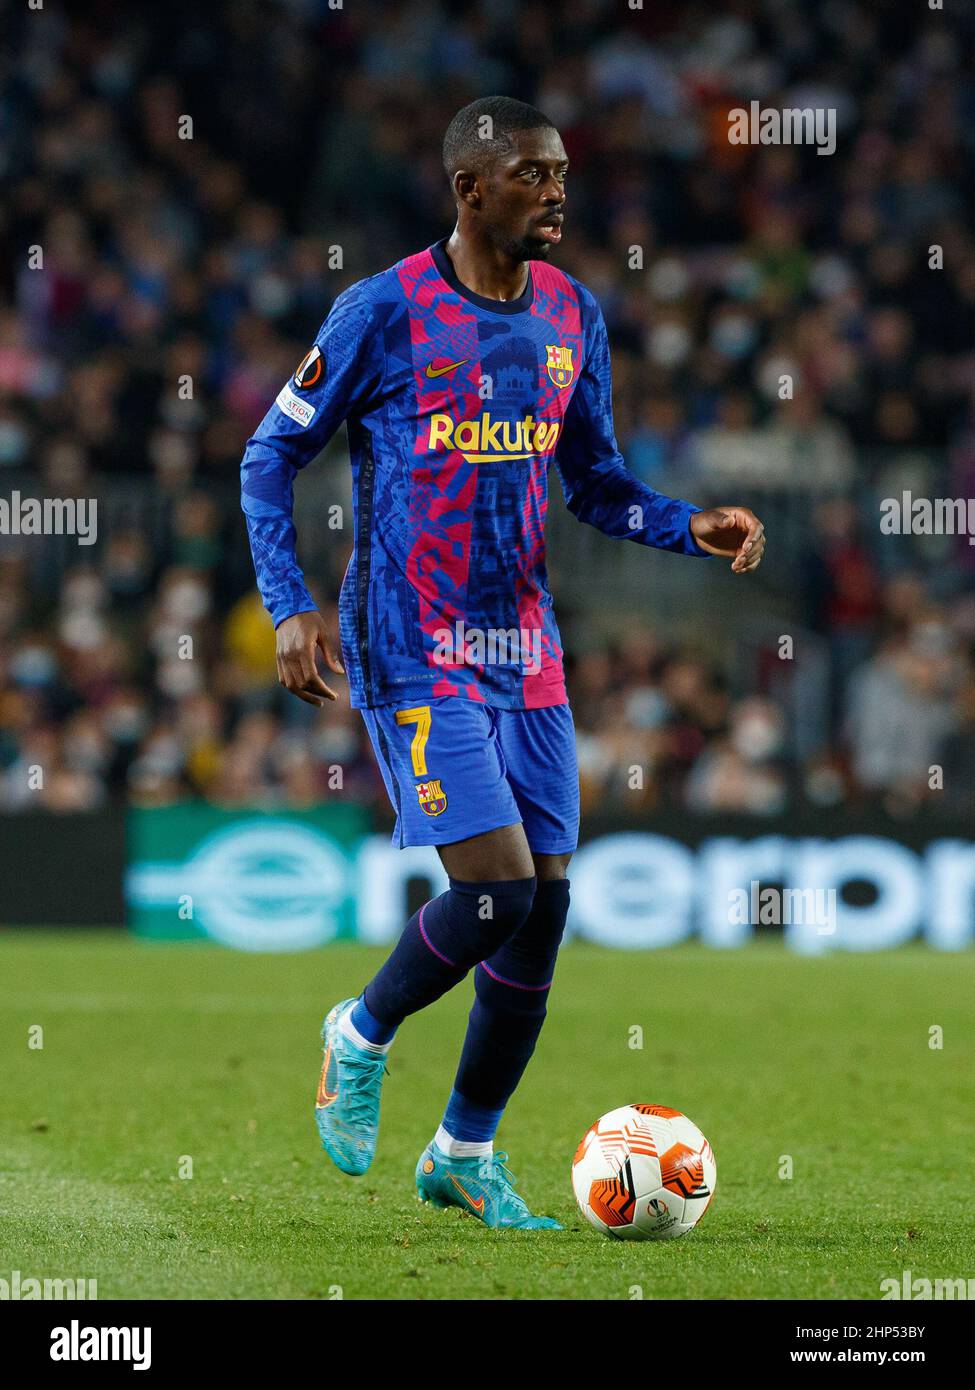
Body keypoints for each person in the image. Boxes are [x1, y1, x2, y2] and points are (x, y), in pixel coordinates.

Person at [241, 96, 766, 1229]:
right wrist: (288, 605)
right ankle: (359, 1030)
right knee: (496, 893)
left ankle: (463, 1152)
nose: (558, 192)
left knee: (545, 910)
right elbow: (269, 449)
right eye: (532, 173)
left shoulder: (575, 311)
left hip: (523, 647)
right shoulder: (382, 311)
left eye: (563, 171)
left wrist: (689, 526)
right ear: (470, 187)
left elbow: (597, 483)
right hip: (410, 641)